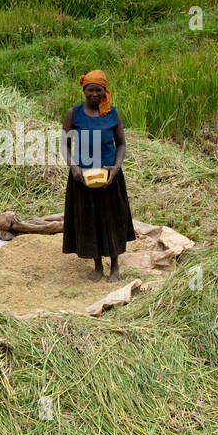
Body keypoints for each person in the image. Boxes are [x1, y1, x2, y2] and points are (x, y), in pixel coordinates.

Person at [62, 70, 135, 282]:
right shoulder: (73, 114)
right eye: (90, 90)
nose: (95, 94)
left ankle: (114, 266)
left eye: (99, 90)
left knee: (112, 220)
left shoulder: (112, 113)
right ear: (83, 90)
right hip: (83, 177)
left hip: (109, 177)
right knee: (89, 220)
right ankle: (96, 265)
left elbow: (121, 144)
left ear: (105, 91)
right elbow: (65, 145)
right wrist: (73, 167)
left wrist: (116, 167)